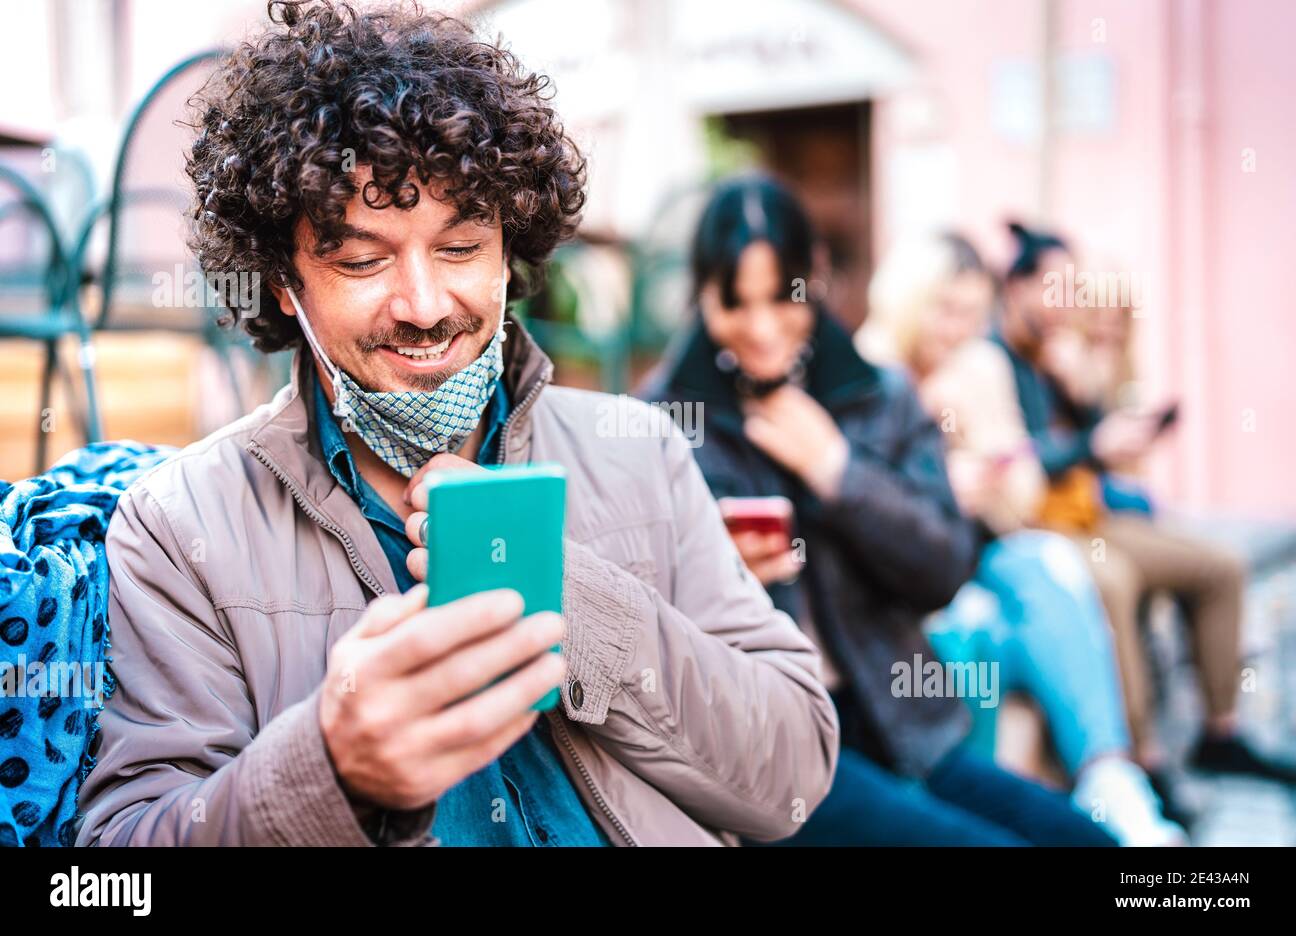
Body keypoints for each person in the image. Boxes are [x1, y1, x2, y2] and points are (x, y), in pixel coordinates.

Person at [75, 1, 838, 847]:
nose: (426, 305)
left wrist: (576, 605)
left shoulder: (642, 449)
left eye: (462, 246)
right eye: (362, 259)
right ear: (284, 284)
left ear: (512, 252)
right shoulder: (180, 525)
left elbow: (794, 772)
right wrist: (329, 769)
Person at [642, 175, 1115, 846]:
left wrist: (838, 470)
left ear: (817, 277)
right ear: (701, 297)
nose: (762, 328)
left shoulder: (878, 395)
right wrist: (715, 564)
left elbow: (944, 565)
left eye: (783, 298)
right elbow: (639, 620)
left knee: (1094, 843)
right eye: (734, 304)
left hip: (901, 721)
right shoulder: (660, 419)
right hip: (773, 751)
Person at [857, 232, 1184, 845]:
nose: (958, 328)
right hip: (913, 576)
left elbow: (1026, 496)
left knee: (1047, 562)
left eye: (971, 314)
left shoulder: (980, 368)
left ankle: (1110, 775)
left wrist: (989, 467)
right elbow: (866, 517)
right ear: (906, 303)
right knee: (980, 628)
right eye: (945, 310)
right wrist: (939, 488)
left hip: (982, 546)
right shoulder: (868, 376)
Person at [994, 220, 1296, 808]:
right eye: (1055, 288)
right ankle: (1142, 762)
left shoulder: (1052, 358)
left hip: (1089, 518)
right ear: (1018, 287)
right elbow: (1019, 462)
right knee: (1115, 579)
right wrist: (1092, 443)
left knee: (1219, 566)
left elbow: (1089, 449)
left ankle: (1221, 733)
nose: (1067, 303)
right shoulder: (992, 361)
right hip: (1036, 530)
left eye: (1073, 289)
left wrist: (1084, 392)